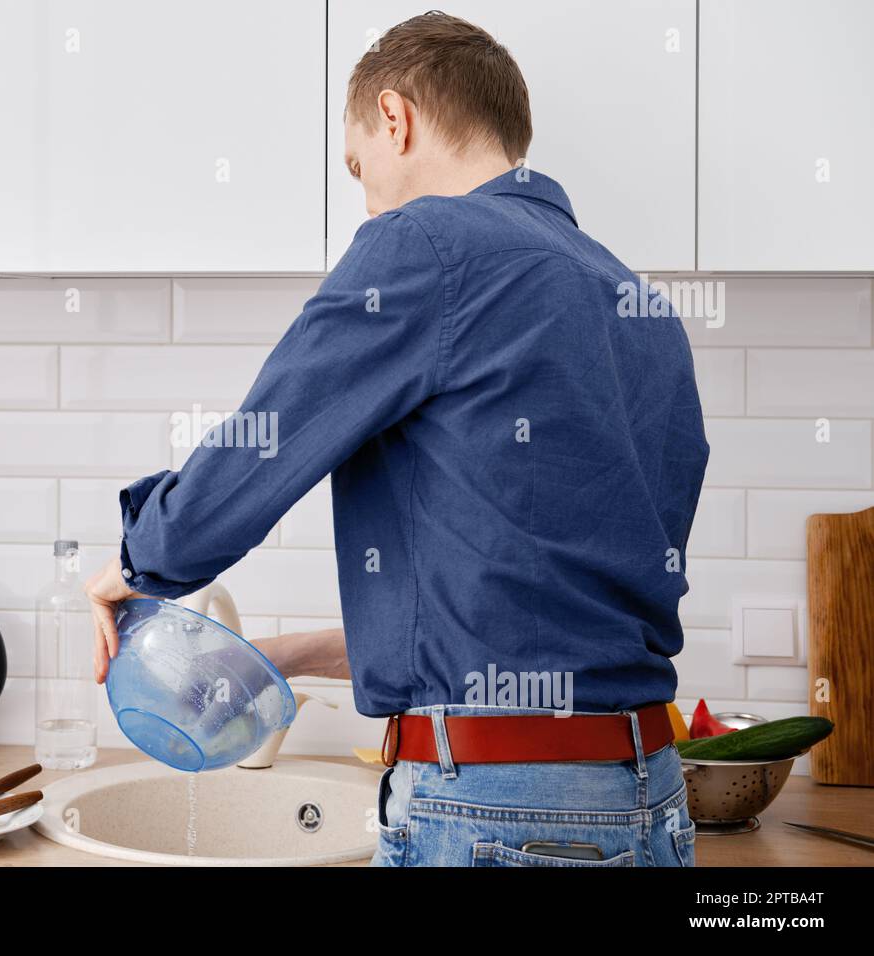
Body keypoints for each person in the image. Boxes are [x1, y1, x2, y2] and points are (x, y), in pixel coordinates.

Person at [85, 11, 708, 867]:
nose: (366, 197)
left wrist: (135, 560)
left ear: (395, 117)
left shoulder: (423, 243)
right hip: (653, 807)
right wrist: (286, 657)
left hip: (492, 815)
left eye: (358, 167)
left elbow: (260, 445)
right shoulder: (642, 310)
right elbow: (523, 634)